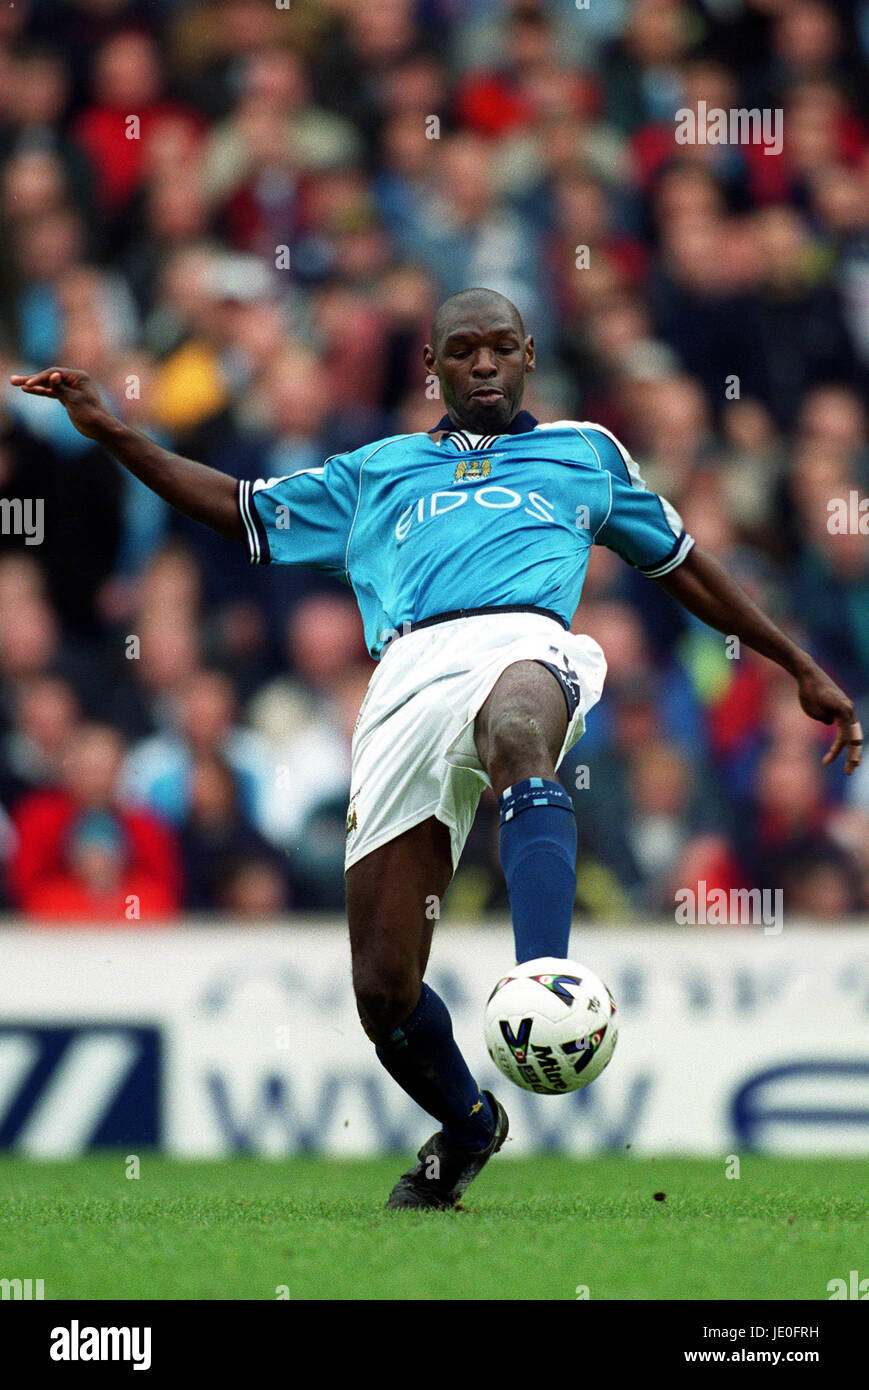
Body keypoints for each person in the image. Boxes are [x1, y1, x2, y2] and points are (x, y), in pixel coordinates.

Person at [11, 286, 862, 1209]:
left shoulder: (582, 454)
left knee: (521, 730)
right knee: (382, 989)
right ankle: (466, 1125)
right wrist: (116, 433)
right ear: (432, 367)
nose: (484, 364)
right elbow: (233, 505)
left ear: (531, 355)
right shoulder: (374, 472)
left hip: (523, 641)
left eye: (501, 347)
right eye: (463, 350)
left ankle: (544, 972)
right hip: (404, 683)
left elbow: (685, 563)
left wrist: (795, 663)